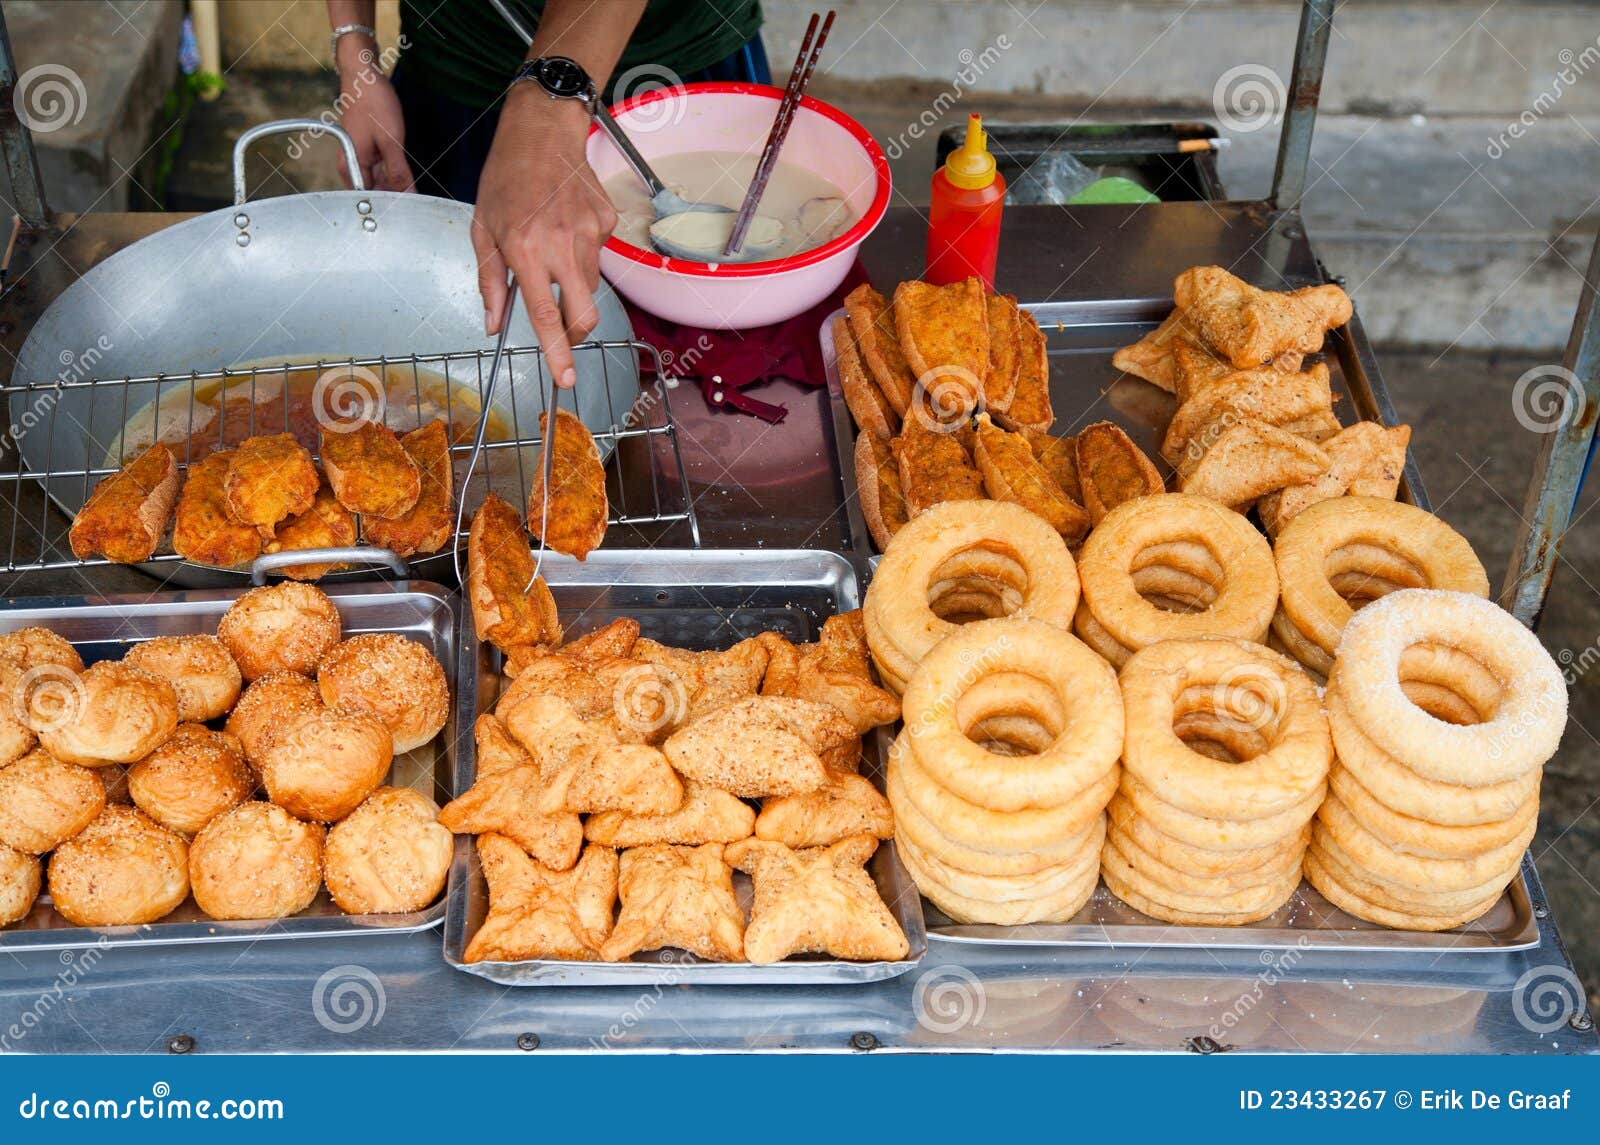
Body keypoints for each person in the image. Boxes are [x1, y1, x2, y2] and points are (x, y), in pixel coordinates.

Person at [326, 1, 769, 387]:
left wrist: (544, 108)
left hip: (670, 73)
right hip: (455, 72)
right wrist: (356, 52)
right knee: (452, 338)